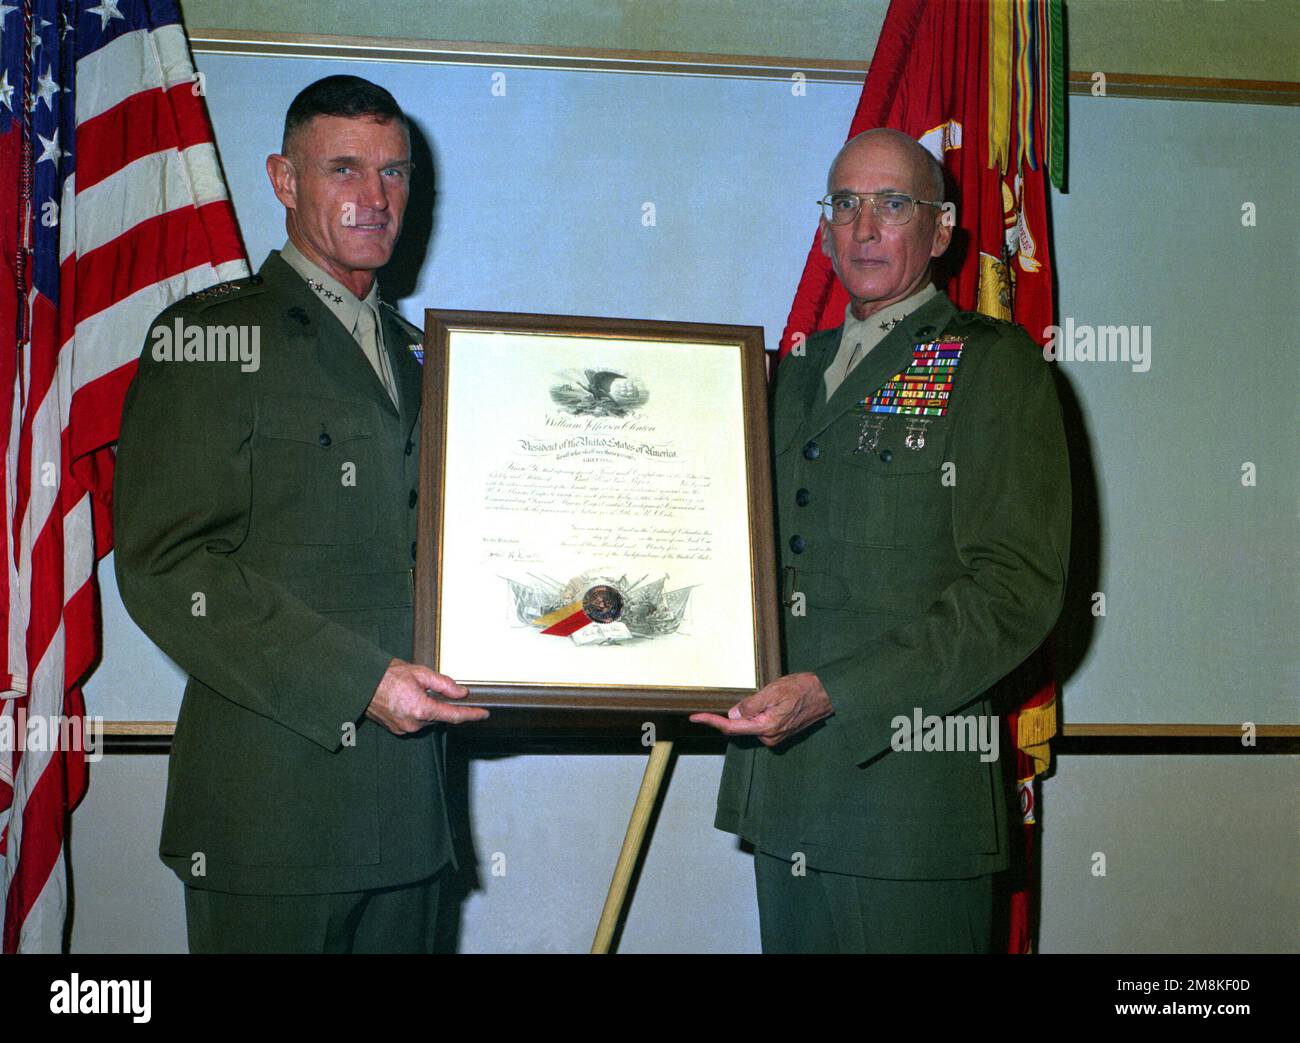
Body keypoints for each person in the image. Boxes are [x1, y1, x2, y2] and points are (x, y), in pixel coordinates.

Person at [113, 75, 488, 953]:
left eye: (394, 173)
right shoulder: (212, 338)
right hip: (271, 818)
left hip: (412, 821)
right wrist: (359, 680)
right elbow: (166, 567)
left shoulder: (427, 355)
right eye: (344, 169)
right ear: (284, 180)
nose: (374, 198)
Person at [692, 128, 1070, 953]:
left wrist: (834, 690)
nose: (864, 227)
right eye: (845, 204)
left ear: (940, 231)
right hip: (784, 790)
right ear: (825, 228)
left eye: (893, 204)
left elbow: (1015, 593)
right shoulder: (786, 374)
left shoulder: (992, 366)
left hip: (909, 810)